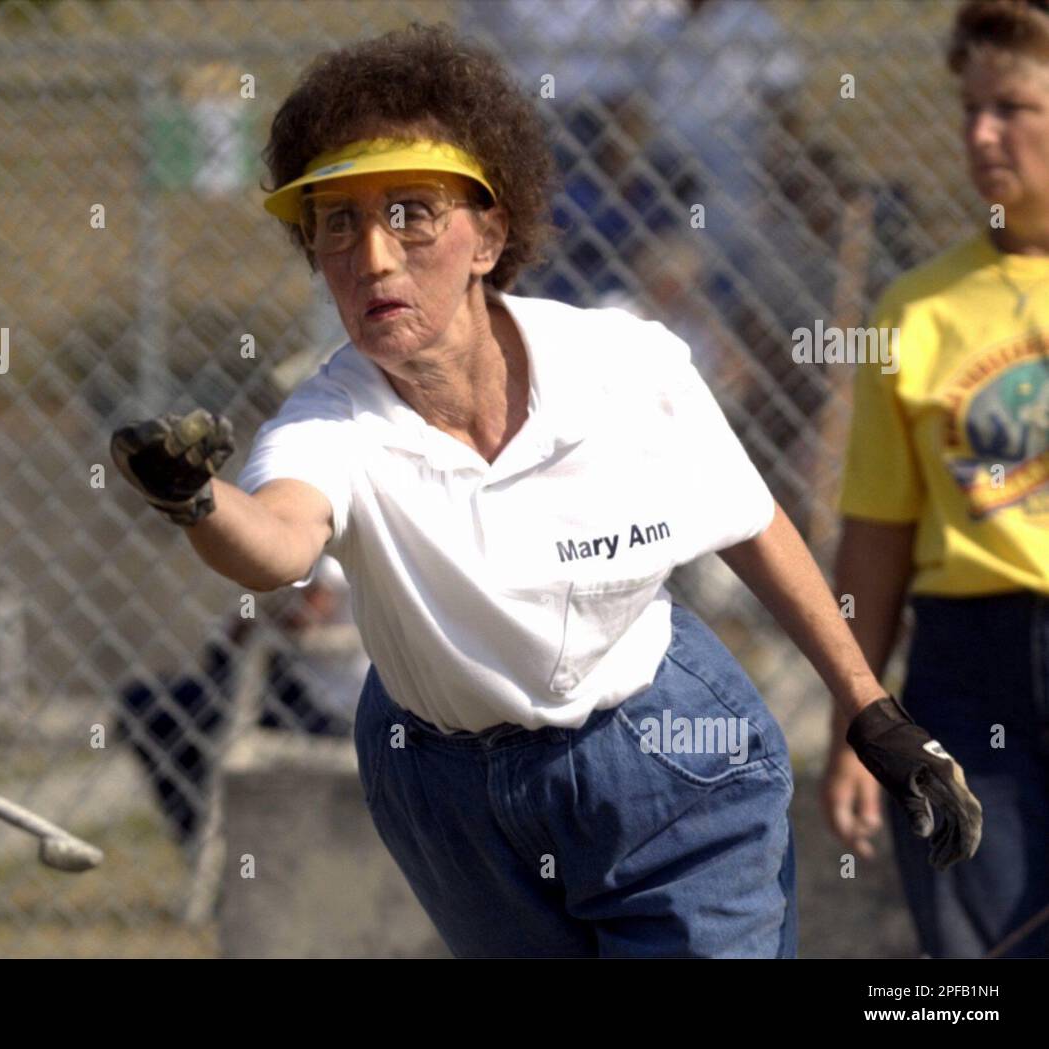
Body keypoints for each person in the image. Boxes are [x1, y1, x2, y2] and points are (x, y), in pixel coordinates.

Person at [109, 23, 981, 959]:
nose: (373, 256)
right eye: (337, 223)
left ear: (489, 233)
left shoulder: (622, 362)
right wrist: (193, 499)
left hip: (662, 744)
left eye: (411, 212)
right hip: (452, 789)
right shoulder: (330, 422)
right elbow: (279, 539)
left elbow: (751, 521)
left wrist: (868, 708)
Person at [824, 0, 1049, 960]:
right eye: (969, 108)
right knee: (981, 956)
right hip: (969, 664)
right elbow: (875, 536)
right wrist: (855, 721)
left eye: (1012, 107)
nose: (981, 134)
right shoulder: (913, 310)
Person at [117, 554, 367, 846]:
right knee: (152, 709)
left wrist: (257, 619)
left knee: (158, 712)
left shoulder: (338, 532)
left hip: (325, 705)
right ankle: (211, 842)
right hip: (284, 688)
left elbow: (307, 611)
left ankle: (215, 844)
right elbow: (237, 631)